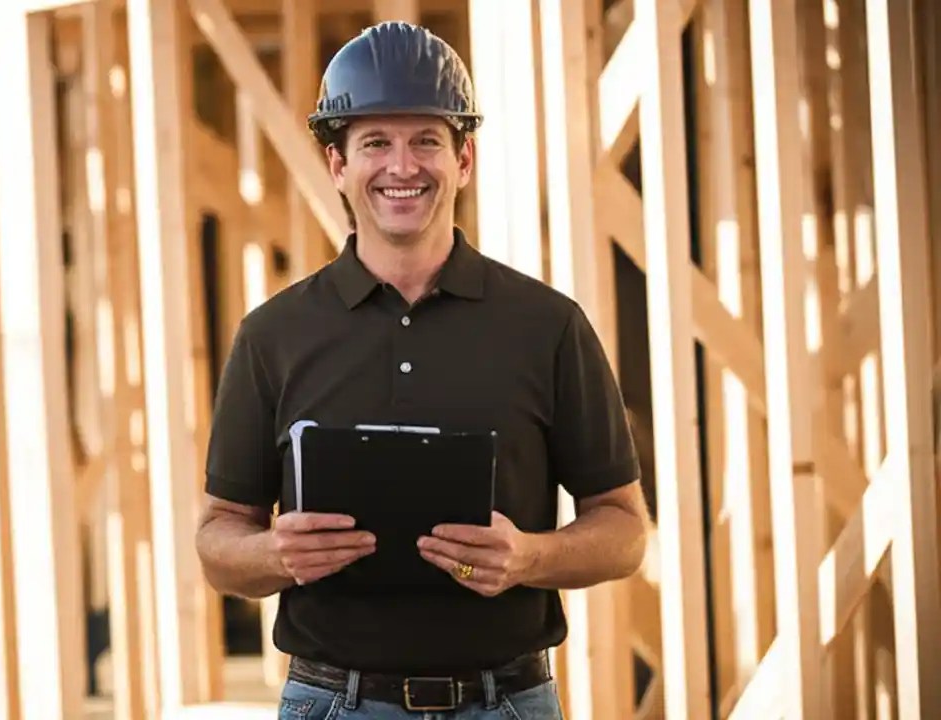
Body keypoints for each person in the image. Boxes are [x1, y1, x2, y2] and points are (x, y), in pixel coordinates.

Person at [195, 21, 650, 719]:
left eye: (426, 141)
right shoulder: (273, 336)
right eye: (376, 142)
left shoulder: (548, 327)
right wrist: (275, 553)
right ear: (337, 164)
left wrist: (527, 557)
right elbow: (218, 542)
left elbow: (623, 530)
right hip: (331, 703)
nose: (402, 166)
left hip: (507, 702)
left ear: (463, 159)